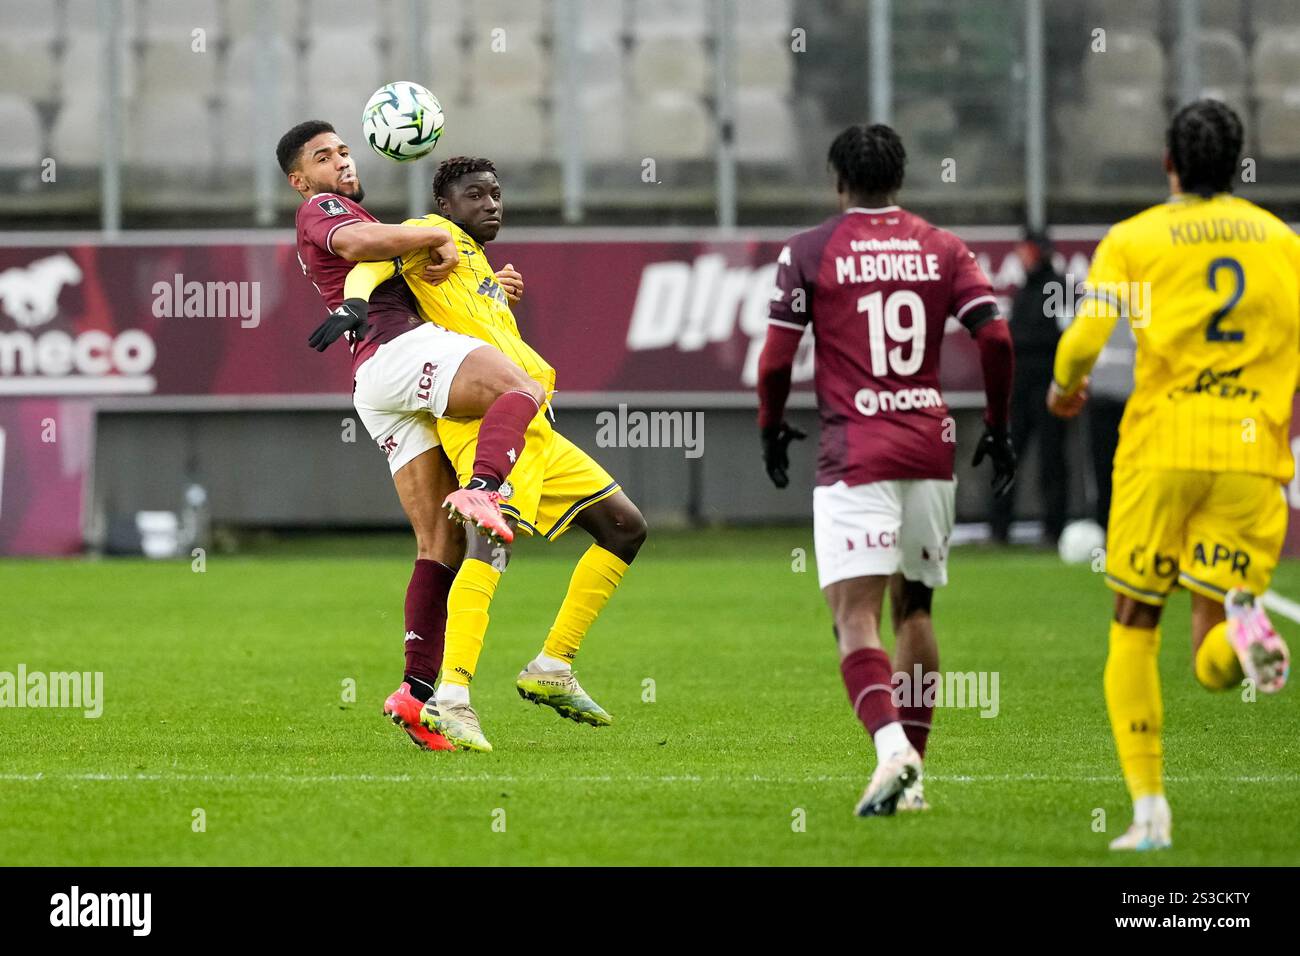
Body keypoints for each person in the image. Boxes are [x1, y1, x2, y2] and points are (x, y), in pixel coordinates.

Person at [1048, 99, 1295, 851]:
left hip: (1163, 449)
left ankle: (1150, 811)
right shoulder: (1282, 243)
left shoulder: (1135, 238)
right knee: (1210, 649)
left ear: (1170, 165)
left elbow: (1086, 338)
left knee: (1134, 625)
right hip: (1251, 455)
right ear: (1238, 162)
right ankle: (1246, 635)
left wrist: (1064, 387)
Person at [343, 156, 648, 753]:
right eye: (475, 194)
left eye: (496, 193)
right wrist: (352, 305)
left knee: (626, 529)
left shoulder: (475, 262)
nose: (491, 203)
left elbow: (482, 319)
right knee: (490, 540)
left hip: (534, 425)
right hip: (482, 423)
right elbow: (367, 261)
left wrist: (495, 290)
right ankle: (452, 695)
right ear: (445, 205)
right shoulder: (429, 236)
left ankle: (552, 665)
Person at [756, 124, 1016, 816]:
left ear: (838, 181)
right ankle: (915, 779)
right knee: (918, 608)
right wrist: (997, 422)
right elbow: (994, 332)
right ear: (899, 179)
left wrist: (771, 425)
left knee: (853, 618)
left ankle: (891, 751)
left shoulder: (812, 250)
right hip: (931, 448)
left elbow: (777, 359)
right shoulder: (941, 245)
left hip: (856, 451)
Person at [277, 120, 545, 752]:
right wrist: (430, 232)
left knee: (438, 546)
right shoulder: (323, 209)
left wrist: (488, 286)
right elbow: (360, 243)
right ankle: (485, 486)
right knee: (523, 389)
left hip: (374, 381)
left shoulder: (356, 220)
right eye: (324, 157)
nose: (341, 162)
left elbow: (382, 264)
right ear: (299, 180)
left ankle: (415, 694)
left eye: (344, 151)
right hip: (397, 354)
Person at [990, 229, 1068, 545]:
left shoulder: (1057, 288)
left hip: (1049, 387)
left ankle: (1054, 529)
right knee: (1008, 455)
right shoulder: (1023, 290)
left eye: (1027, 250)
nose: (1022, 256)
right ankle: (999, 528)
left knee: (1052, 459)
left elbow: (1063, 337)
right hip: (1020, 387)